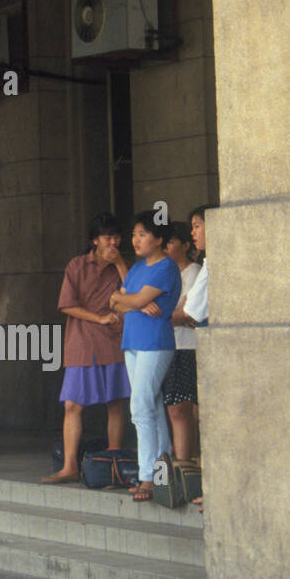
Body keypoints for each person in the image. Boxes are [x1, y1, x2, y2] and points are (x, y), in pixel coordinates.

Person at [43, 213, 132, 483]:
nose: (113, 242)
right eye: (107, 237)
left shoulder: (125, 267)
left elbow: (135, 294)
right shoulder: (77, 265)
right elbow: (66, 305)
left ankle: (115, 462)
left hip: (113, 341)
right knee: (72, 405)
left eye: (117, 237)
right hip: (82, 340)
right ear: (95, 240)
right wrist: (99, 317)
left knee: (115, 402)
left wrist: (119, 265)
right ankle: (69, 465)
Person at [108, 212, 181, 501]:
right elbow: (119, 303)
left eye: (143, 234)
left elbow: (129, 300)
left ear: (159, 239)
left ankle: (148, 476)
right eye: (134, 234)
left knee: (139, 407)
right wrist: (129, 301)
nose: (135, 240)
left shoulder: (166, 267)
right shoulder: (137, 269)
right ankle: (165, 465)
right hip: (133, 342)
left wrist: (129, 300)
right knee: (151, 405)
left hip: (155, 343)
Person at [157, 221, 202, 465]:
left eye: (171, 241)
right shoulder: (166, 274)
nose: (165, 246)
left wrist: (157, 315)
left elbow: (186, 313)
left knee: (184, 408)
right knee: (177, 408)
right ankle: (184, 462)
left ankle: (186, 464)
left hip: (189, 348)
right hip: (171, 345)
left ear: (186, 245)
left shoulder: (193, 272)